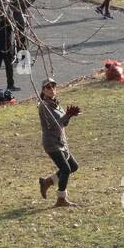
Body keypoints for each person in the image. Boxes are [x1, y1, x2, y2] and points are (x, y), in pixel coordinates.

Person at [37, 79, 81, 207]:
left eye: (53, 87)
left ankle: (47, 182)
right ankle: (61, 199)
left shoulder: (56, 103)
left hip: (61, 141)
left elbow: (63, 123)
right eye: (48, 88)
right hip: (51, 142)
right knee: (65, 169)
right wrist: (66, 115)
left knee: (73, 166)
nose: (51, 90)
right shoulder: (44, 105)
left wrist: (69, 116)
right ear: (43, 90)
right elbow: (53, 124)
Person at [0, 1, 18, 93]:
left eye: (5, 5)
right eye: (3, 5)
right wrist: (4, 16)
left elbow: (13, 27)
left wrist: (9, 17)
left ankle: (10, 84)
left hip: (7, 44)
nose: (5, 7)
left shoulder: (8, 15)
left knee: (9, 66)